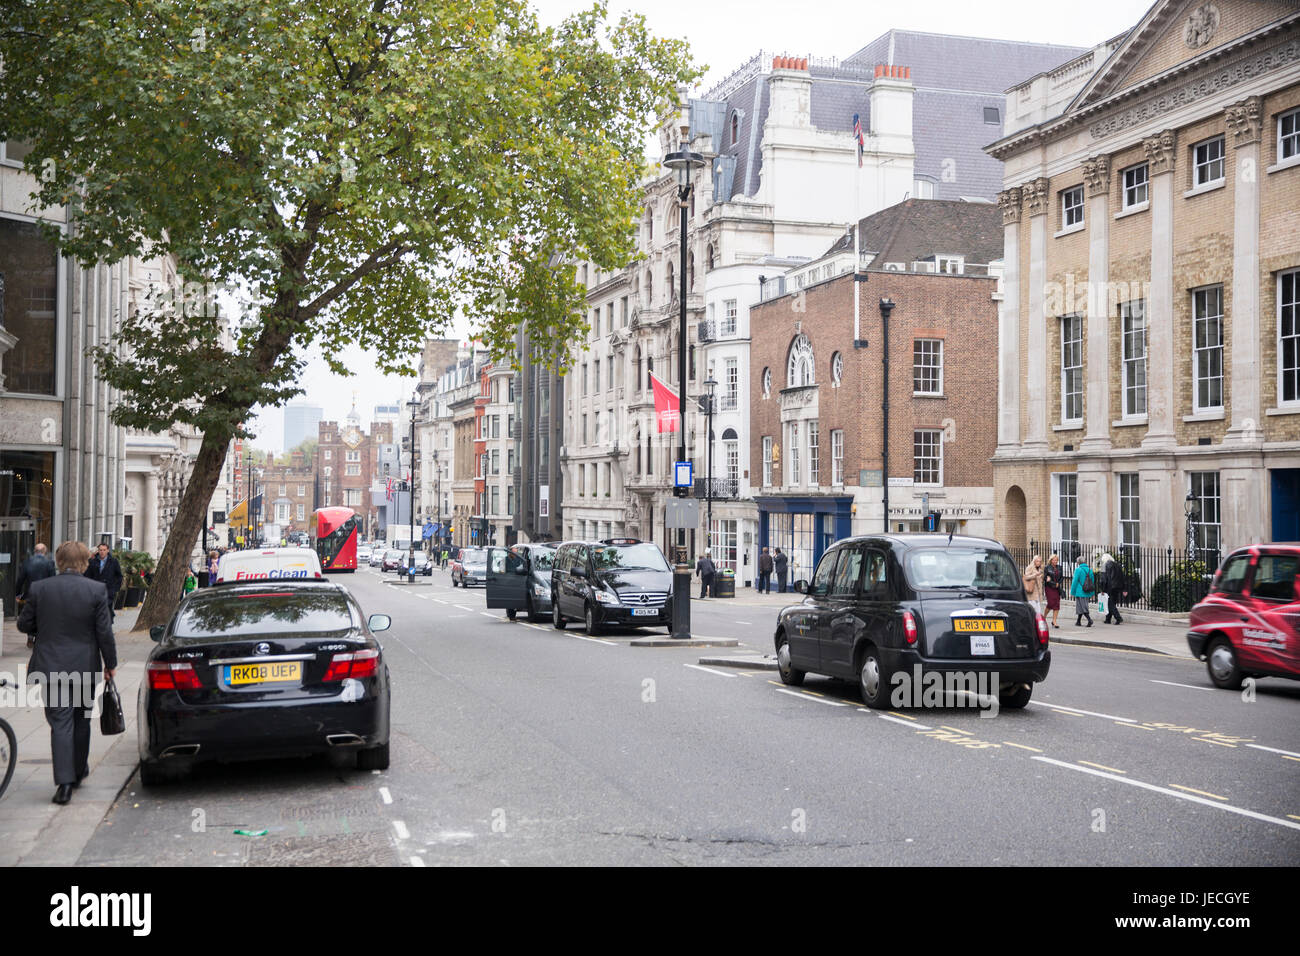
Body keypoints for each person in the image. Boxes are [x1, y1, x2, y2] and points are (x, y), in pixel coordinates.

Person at [16, 540, 117, 806]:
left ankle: (64, 784)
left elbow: (24, 624)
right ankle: (78, 770)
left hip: (51, 666)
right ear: (85, 562)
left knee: (60, 722)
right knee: (81, 720)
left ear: (59, 562)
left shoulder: (40, 589)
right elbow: (104, 632)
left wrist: (44, 628)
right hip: (84, 665)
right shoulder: (96, 590)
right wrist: (110, 664)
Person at [84, 542, 123, 620]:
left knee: (107, 610)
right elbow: (87, 576)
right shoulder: (92, 562)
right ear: (98, 551)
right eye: (100, 550)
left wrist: (115, 589)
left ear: (108, 550)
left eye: (104, 550)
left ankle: (109, 624)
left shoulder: (113, 561)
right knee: (96, 611)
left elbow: (119, 576)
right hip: (95, 591)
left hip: (109, 591)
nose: (102, 552)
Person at [1100, 551, 1124, 625]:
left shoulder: (1104, 565)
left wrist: (1102, 589)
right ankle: (1108, 619)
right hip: (1117, 586)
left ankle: (1118, 617)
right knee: (1112, 603)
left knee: (1110, 603)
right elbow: (1122, 576)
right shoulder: (1117, 565)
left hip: (1109, 587)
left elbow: (1103, 579)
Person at [1070, 557, 1095, 627]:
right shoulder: (1090, 570)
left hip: (1080, 591)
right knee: (1080, 606)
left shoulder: (1078, 570)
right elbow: (1092, 581)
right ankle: (1078, 621)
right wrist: (1092, 592)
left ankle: (1089, 620)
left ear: (1078, 562)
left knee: (1083, 607)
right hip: (1087, 591)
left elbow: (1074, 581)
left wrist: (1072, 592)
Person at [1043, 553, 1063, 628]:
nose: (1055, 561)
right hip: (1049, 587)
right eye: (1054, 560)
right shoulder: (1047, 567)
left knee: (1057, 604)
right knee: (1051, 603)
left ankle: (1054, 621)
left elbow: (1061, 577)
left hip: (1057, 588)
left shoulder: (1059, 567)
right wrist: (1051, 581)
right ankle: (1044, 617)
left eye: (1056, 560)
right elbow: (1045, 578)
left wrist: (1058, 583)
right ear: (1051, 560)